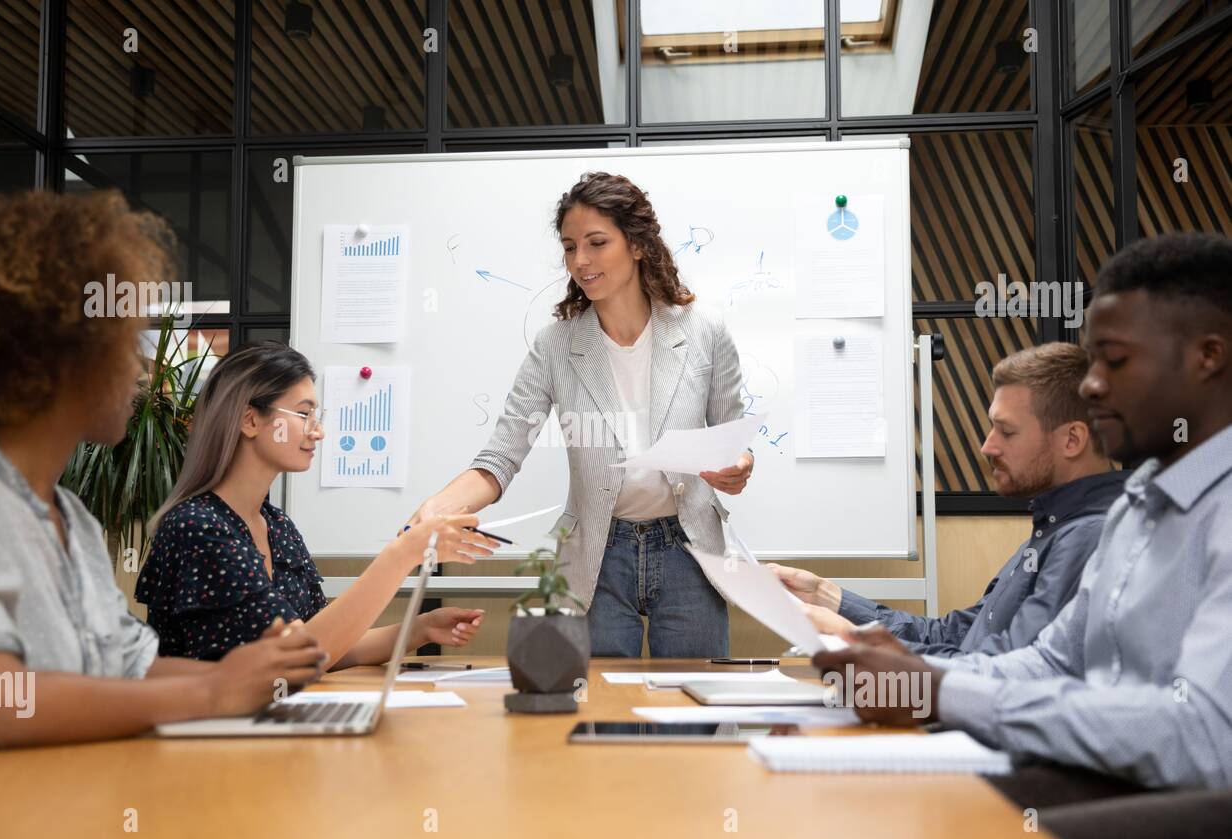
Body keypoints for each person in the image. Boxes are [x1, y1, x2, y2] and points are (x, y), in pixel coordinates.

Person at [812, 233, 1232, 806]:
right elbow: (1056, 659)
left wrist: (937, 690)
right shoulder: (1136, 505)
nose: (1091, 384)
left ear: (1208, 356)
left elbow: (1203, 736)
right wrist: (914, 677)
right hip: (1110, 781)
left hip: (1192, 808)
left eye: (1116, 360)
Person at [0, 190, 325, 753]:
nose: (140, 373)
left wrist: (259, 679)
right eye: (123, 345)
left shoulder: (71, 518)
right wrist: (214, 690)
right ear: (61, 357)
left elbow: (130, 667)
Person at [405, 172, 754, 658]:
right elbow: (502, 454)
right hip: (597, 553)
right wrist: (439, 505)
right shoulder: (556, 346)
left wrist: (738, 466)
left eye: (596, 243)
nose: (581, 262)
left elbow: (732, 439)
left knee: (694, 716)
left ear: (636, 245)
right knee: (601, 717)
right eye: (570, 248)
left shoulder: (704, 333)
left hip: (690, 550)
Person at [137, 343, 497, 666]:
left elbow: (328, 644)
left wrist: (419, 629)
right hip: (208, 735)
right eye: (303, 414)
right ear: (250, 420)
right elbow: (301, 654)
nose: (318, 431)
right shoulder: (198, 527)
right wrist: (401, 555)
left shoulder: (277, 526)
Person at [772, 343, 1124, 656]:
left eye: (1007, 431)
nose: (988, 446)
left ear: (1072, 440)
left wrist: (850, 637)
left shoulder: (1089, 537)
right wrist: (827, 596)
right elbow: (957, 635)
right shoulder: (1054, 525)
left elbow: (997, 672)